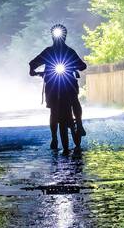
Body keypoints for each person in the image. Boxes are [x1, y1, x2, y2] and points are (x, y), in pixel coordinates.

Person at [29, 23, 87, 153]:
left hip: (68, 82)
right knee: (53, 111)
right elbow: (33, 62)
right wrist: (32, 70)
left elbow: (82, 65)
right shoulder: (48, 51)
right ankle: (54, 137)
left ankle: (79, 123)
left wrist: (78, 67)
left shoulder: (70, 51)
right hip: (52, 83)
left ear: (65, 37)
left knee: (74, 99)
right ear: (53, 37)